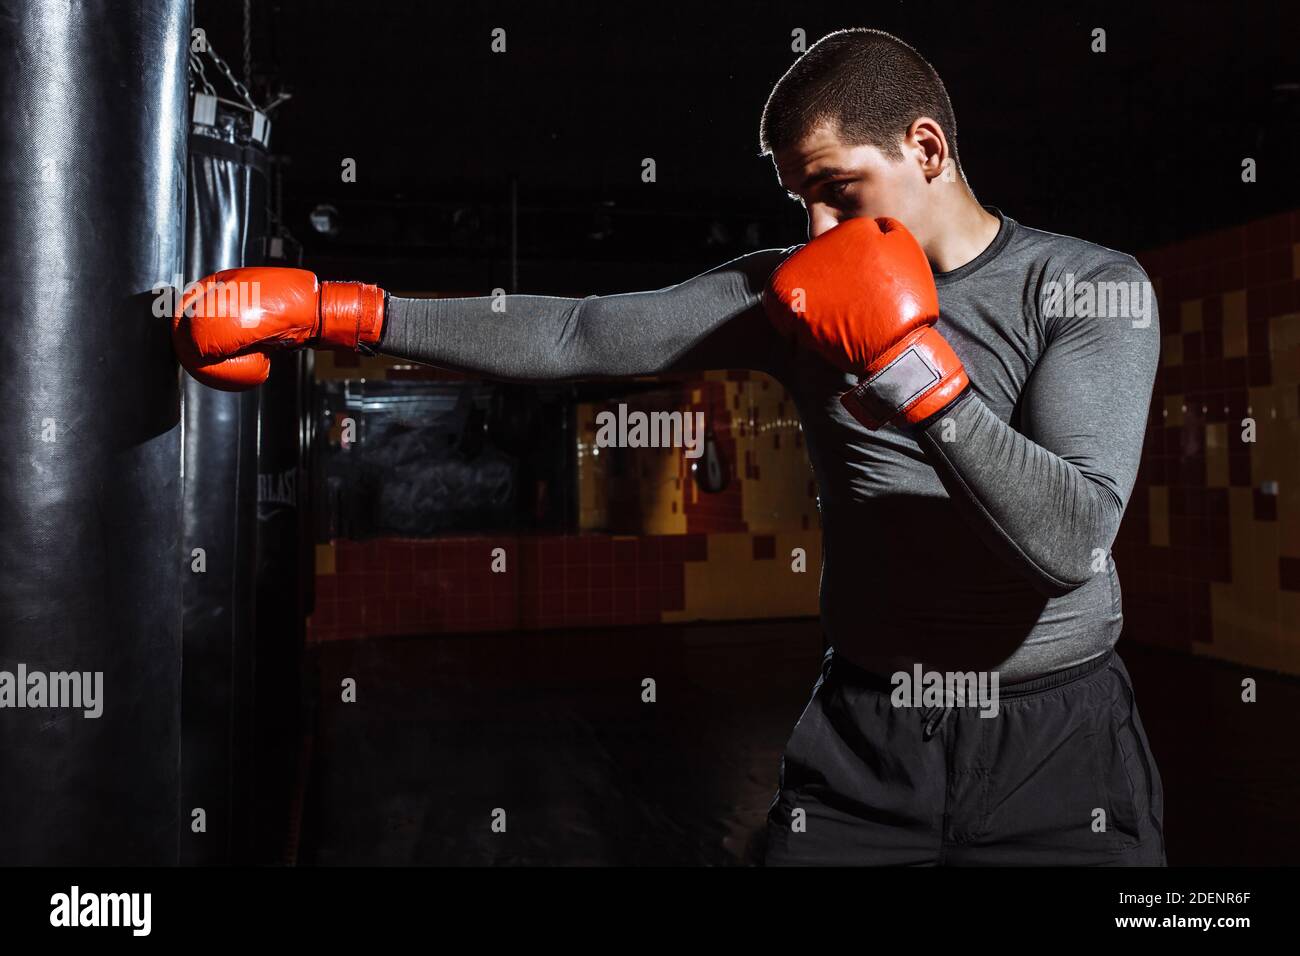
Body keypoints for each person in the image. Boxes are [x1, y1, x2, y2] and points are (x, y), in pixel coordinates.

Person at [174, 27, 1165, 866]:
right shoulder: (789, 296)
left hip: (1056, 742)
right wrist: (345, 310)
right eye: (798, 202)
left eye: (837, 191)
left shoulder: (1078, 290)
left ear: (926, 149)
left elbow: (1069, 539)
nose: (815, 230)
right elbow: (580, 332)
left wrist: (910, 364)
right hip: (868, 735)